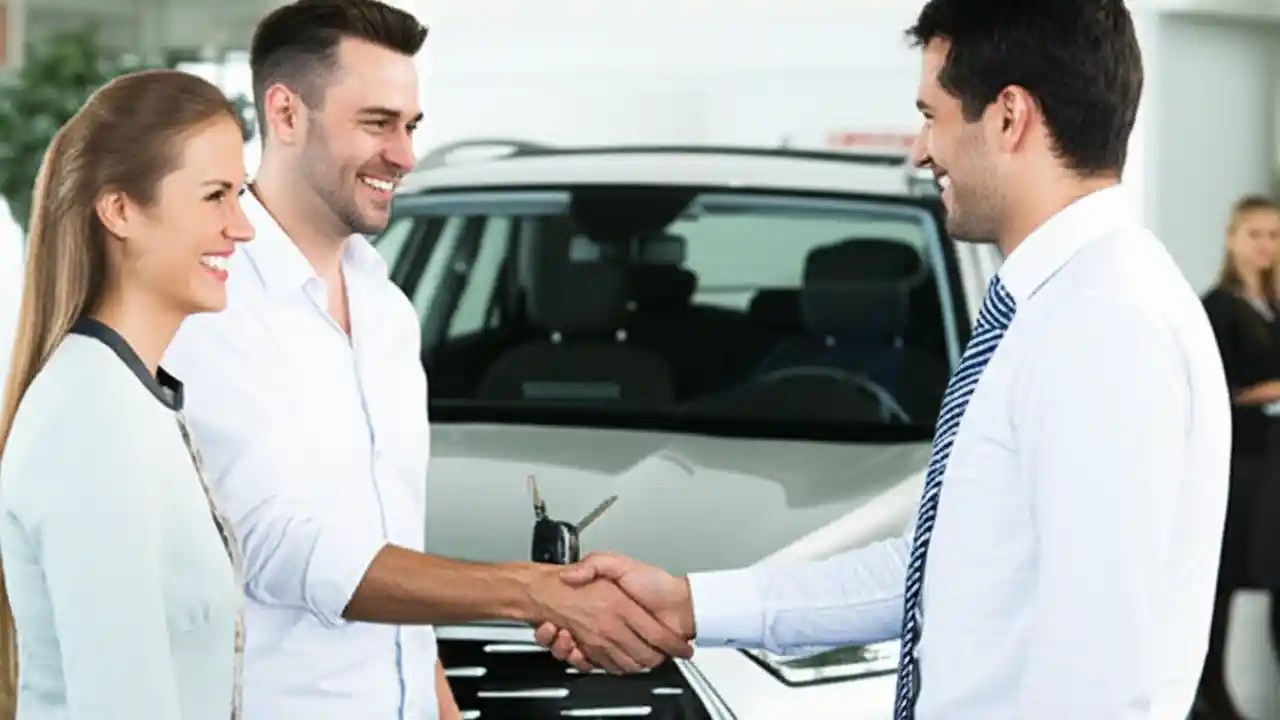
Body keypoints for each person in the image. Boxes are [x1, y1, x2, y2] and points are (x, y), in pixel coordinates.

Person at [535, 2, 1233, 718]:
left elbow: (1102, 673)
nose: (921, 150)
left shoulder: (1102, 325)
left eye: (931, 115)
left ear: (1008, 116)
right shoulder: (1058, 306)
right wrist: (690, 604)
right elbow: (936, 569)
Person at [161, 1, 691, 718]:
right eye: (377, 123)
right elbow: (272, 547)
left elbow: (390, 544)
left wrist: (439, 700)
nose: (405, 155)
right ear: (285, 114)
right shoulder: (210, 302)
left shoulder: (386, 308)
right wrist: (529, 590)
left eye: (411, 127)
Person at [0, 69, 253, 719]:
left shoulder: (125, 399)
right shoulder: (91, 425)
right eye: (215, 196)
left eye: (241, 194)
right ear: (119, 211)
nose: (242, 227)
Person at [1197, 194, 1280, 719]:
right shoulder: (1218, 309)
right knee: (1221, 580)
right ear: (1232, 239)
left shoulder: (1273, 309)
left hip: (1273, 463)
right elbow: (1214, 390)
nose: (1266, 246)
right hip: (1240, 465)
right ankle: (1208, 696)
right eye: (1256, 234)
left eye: (1274, 236)